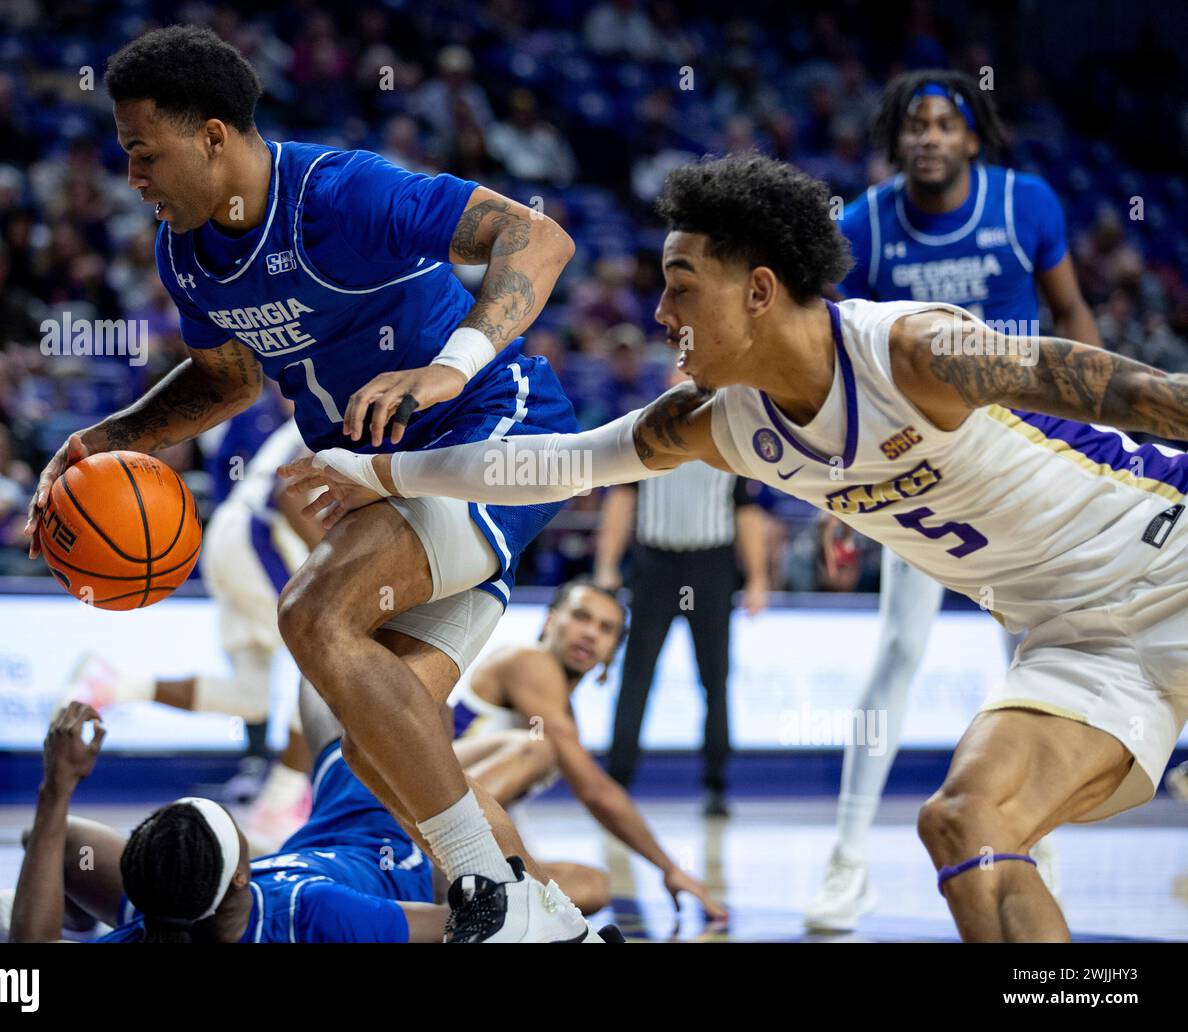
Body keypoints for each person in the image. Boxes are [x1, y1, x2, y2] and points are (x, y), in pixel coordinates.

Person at [289, 152, 1188, 943]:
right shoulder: (721, 425)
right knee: (965, 823)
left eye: (682, 283)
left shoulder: (913, 350)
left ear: (758, 290)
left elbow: (1151, 396)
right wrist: (383, 476)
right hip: (1075, 640)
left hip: (1170, 558)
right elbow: (559, 462)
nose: (659, 306)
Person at [23, 25, 597, 942]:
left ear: (213, 136)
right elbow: (229, 378)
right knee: (376, 753)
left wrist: (448, 367)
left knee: (313, 612)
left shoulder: (339, 193)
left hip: (497, 428)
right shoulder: (187, 253)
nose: (132, 176)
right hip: (388, 481)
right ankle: (562, 928)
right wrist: (106, 436)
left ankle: (500, 901)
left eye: (143, 152)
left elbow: (538, 239)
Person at [807, 69, 1102, 930]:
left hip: (1025, 462)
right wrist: (837, 499)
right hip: (915, 464)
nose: (929, 136)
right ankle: (846, 861)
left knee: (1037, 654)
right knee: (897, 651)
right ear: (899, 141)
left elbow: (1073, 315)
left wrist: (1095, 441)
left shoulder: (1026, 204)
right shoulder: (866, 222)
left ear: (974, 138)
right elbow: (827, 363)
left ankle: (1031, 839)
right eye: (915, 125)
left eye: (946, 123)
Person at [0, 692, 449, 943]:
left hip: (191, 910)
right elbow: (467, 925)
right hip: (375, 849)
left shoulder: (152, 927)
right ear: (242, 874)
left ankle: (74, 921)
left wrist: (56, 789)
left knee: (53, 841)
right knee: (371, 690)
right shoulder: (312, 911)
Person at [60, 419, 321, 853]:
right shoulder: (346, 406)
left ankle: (111, 683)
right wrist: (334, 558)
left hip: (234, 538)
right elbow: (286, 496)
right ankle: (280, 801)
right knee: (328, 649)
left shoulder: (327, 404)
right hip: (262, 538)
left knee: (251, 696)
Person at [451, 576, 726, 918]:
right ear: (551, 620)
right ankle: (448, 874)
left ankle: (473, 902)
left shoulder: (565, 713)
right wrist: (669, 867)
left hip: (463, 845)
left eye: (606, 628)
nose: (591, 633)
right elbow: (593, 789)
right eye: (581, 616)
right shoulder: (527, 661)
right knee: (537, 748)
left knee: (593, 886)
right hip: (412, 815)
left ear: (612, 653)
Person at [594, 366, 767, 815]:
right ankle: (618, 781)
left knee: (714, 679)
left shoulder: (732, 437)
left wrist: (759, 579)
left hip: (711, 567)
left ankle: (715, 784)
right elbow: (622, 499)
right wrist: (607, 565)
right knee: (636, 678)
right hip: (655, 565)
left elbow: (746, 512)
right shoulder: (646, 429)